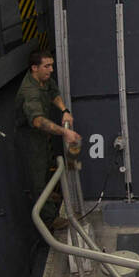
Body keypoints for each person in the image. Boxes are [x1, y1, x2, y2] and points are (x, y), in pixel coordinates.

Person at [16, 50, 81, 230]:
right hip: (30, 138)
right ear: (34, 68)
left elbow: (53, 92)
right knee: (37, 178)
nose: (51, 69)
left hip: (41, 137)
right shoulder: (30, 91)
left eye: (52, 65)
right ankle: (50, 219)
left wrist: (64, 110)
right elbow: (37, 121)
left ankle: (48, 192)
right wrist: (64, 132)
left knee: (46, 166)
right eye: (47, 66)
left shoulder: (43, 79)